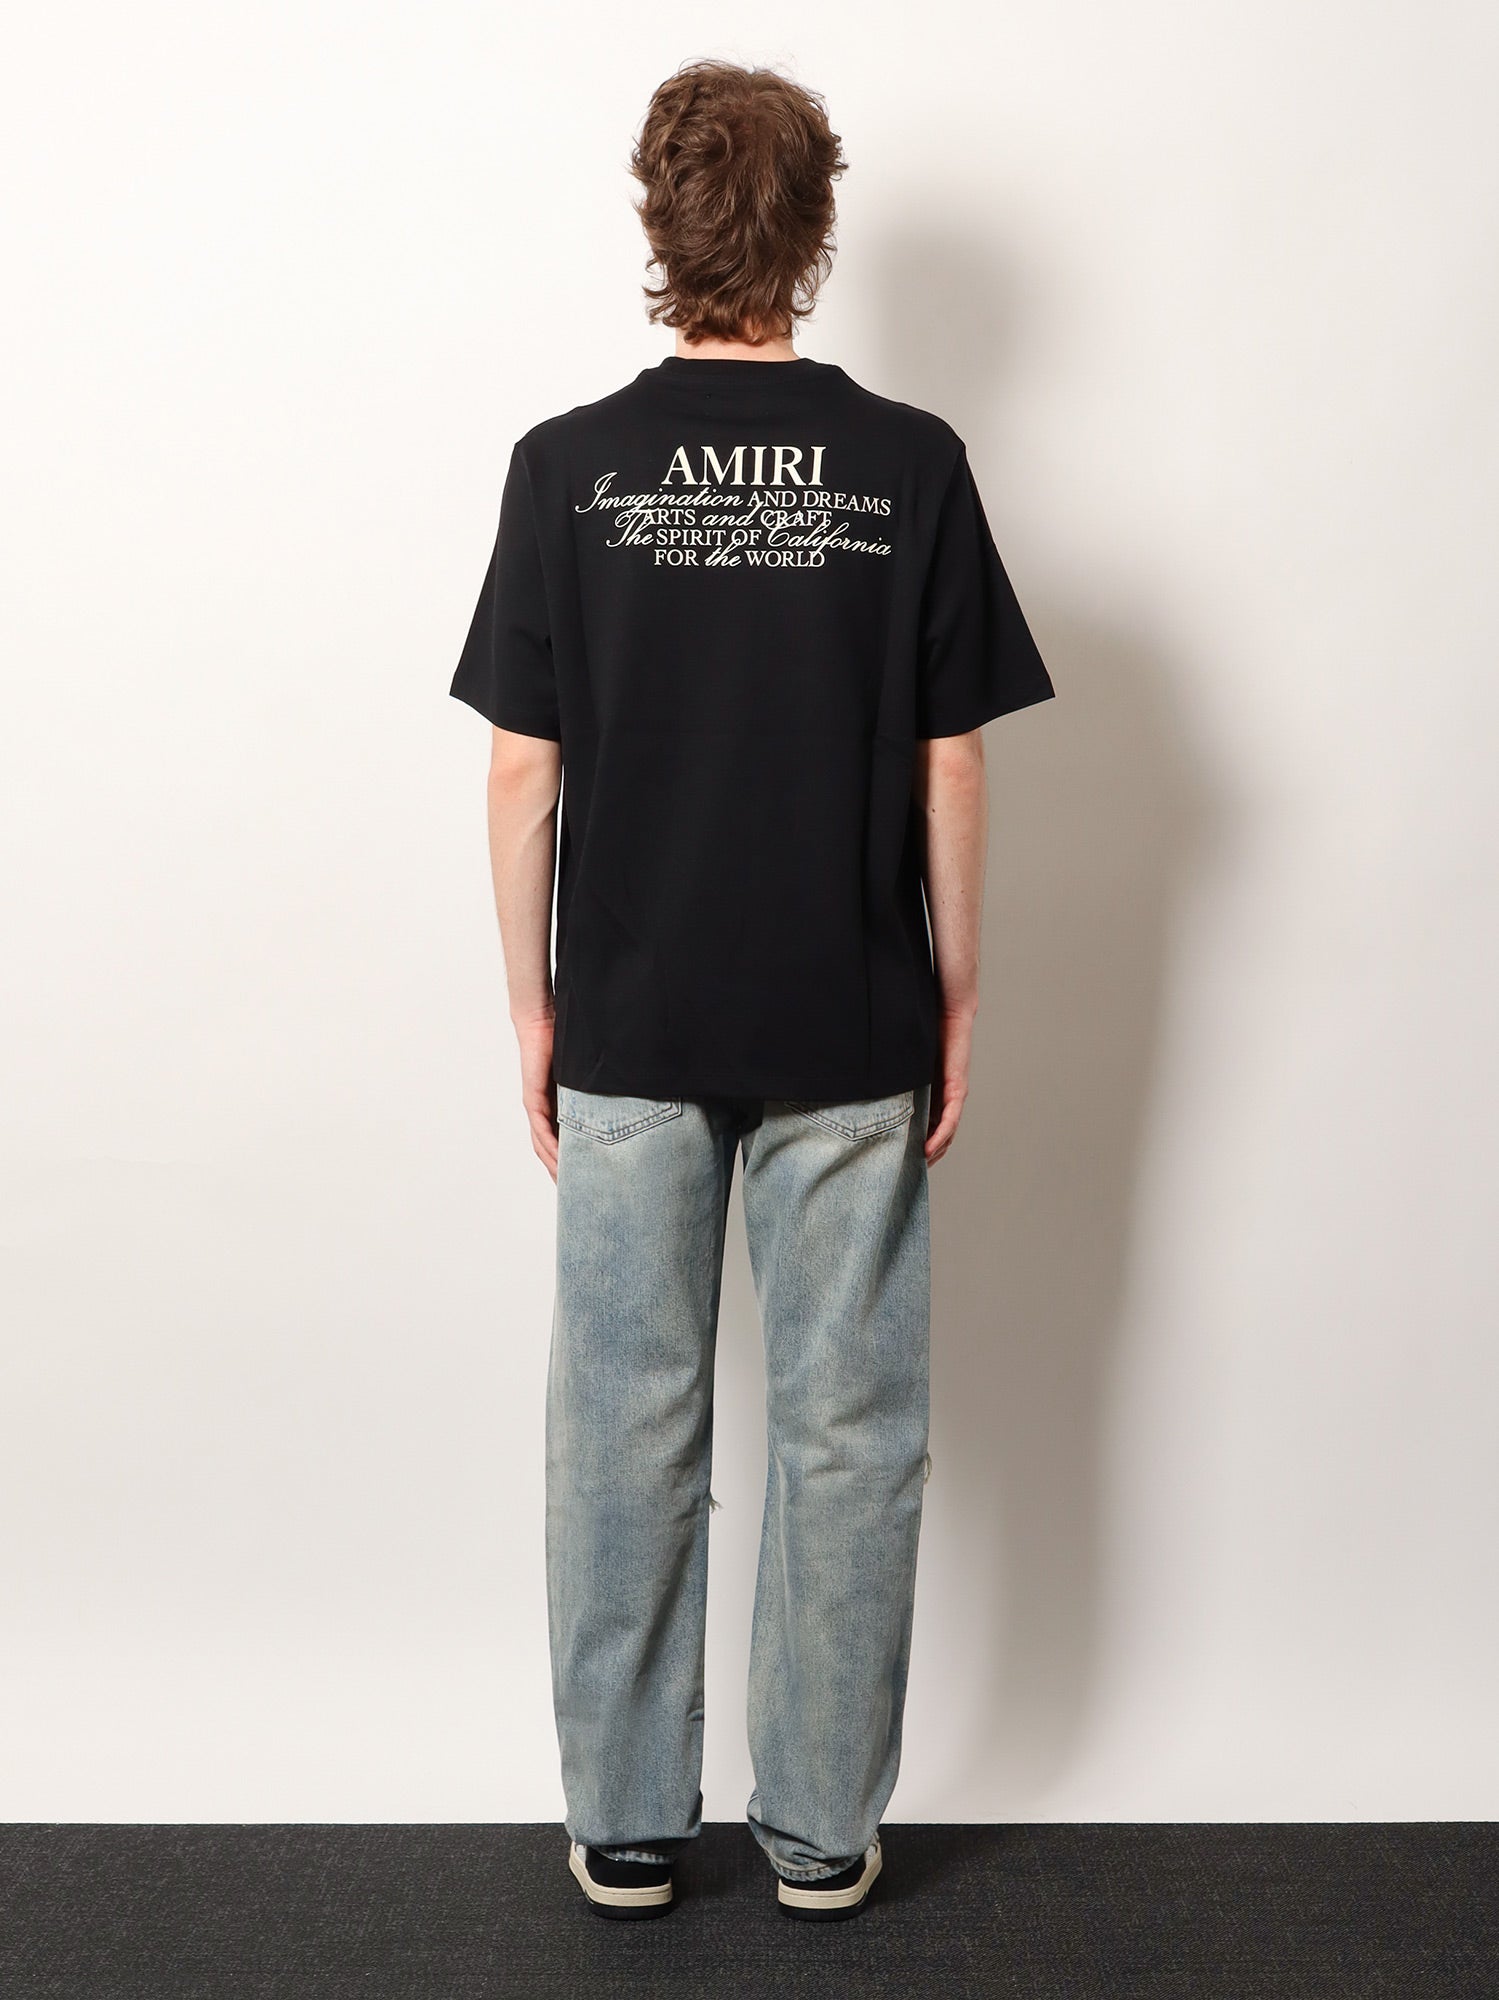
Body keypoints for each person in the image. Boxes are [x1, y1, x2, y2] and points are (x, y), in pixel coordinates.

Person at [449, 58, 1055, 1923]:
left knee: (623, 1425)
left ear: (663, 219)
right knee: (849, 1434)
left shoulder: (568, 470)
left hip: (632, 1018)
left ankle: (630, 1825)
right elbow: (952, 762)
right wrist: (958, 990)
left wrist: (535, 1010)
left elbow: (522, 770)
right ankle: (816, 1830)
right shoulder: (910, 467)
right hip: (848, 1019)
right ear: (815, 228)